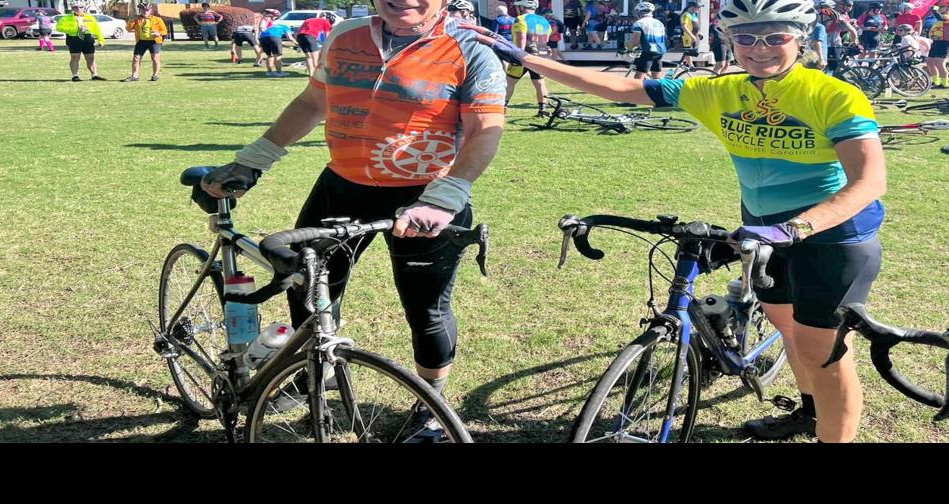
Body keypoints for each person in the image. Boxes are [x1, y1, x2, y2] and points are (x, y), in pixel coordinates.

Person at [472, 0, 887, 442]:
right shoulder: (719, 91)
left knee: (821, 350)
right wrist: (526, 59)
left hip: (834, 234)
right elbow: (620, 89)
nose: (759, 48)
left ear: (799, 39)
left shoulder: (834, 95)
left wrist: (794, 229)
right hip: (761, 228)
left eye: (774, 37)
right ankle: (809, 413)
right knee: (786, 325)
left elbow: (869, 181)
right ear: (730, 41)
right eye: (745, 37)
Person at [199, 0, 507, 442]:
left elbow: (484, 130)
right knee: (307, 287)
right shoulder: (345, 35)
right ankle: (315, 376)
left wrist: (446, 197)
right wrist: (255, 160)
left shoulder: (470, 50)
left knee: (426, 310)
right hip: (343, 186)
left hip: (428, 197)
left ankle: (429, 406)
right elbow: (313, 101)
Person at [56, 6, 106, 81]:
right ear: (72, 9)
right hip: (74, 39)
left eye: (80, 7)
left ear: (84, 8)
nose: (78, 9)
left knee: (90, 57)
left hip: (88, 38)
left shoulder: (90, 18)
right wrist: (75, 29)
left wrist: (101, 40)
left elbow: (97, 29)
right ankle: (75, 76)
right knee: (75, 57)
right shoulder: (66, 18)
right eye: (76, 7)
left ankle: (94, 75)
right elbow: (59, 27)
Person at [124, 3, 167, 82]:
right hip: (141, 41)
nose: (145, 12)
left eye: (147, 10)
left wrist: (158, 33)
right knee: (136, 58)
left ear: (150, 10)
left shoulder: (157, 19)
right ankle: (135, 76)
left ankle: (155, 75)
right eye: (143, 10)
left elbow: (164, 31)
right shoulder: (137, 19)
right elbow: (128, 29)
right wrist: (133, 19)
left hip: (154, 41)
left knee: (155, 58)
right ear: (140, 10)